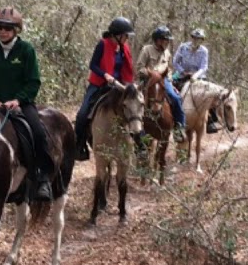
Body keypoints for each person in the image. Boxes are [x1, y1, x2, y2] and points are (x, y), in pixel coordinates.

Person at [0, 6, 52, 202]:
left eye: (7, 27)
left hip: (21, 104)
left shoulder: (26, 50)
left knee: (37, 132)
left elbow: (33, 81)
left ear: (16, 30)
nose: (3, 31)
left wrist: (18, 99)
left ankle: (43, 176)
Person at [73, 16, 136, 160]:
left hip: (119, 85)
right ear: (118, 34)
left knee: (135, 106)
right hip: (100, 84)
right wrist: (105, 75)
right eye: (126, 35)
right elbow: (93, 65)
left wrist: (129, 84)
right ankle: (79, 145)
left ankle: (139, 143)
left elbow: (127, 68)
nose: (127, 38)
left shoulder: (124, 47)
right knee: (82, 114)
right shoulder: (103, 44)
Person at [135, 25, 187, 143]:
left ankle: (179, 127)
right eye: (165, 39)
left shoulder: (167, 53)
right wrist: (151, 74)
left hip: (163, 81)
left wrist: (170, 82)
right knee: (136, 99)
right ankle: (135, 130)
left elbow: (168, 70)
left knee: (176, 97)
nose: (167, 42)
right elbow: (139, 67)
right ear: (158, 40)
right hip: (148, 79)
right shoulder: (146, 50)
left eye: (168, 40)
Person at [172, 27, 219, 132]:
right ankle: (175, 119)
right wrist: (184, 72)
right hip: (183, 75)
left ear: (202, 40)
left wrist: (195, 75)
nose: (196, 40)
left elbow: (204, 67)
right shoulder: (183, 47)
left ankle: (211, 121)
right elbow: (175, 62)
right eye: (195, 38)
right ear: (191, 38)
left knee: (210, 94)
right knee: (174, 93)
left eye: (199, 39)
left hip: (198, 77)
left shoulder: (204, 51)